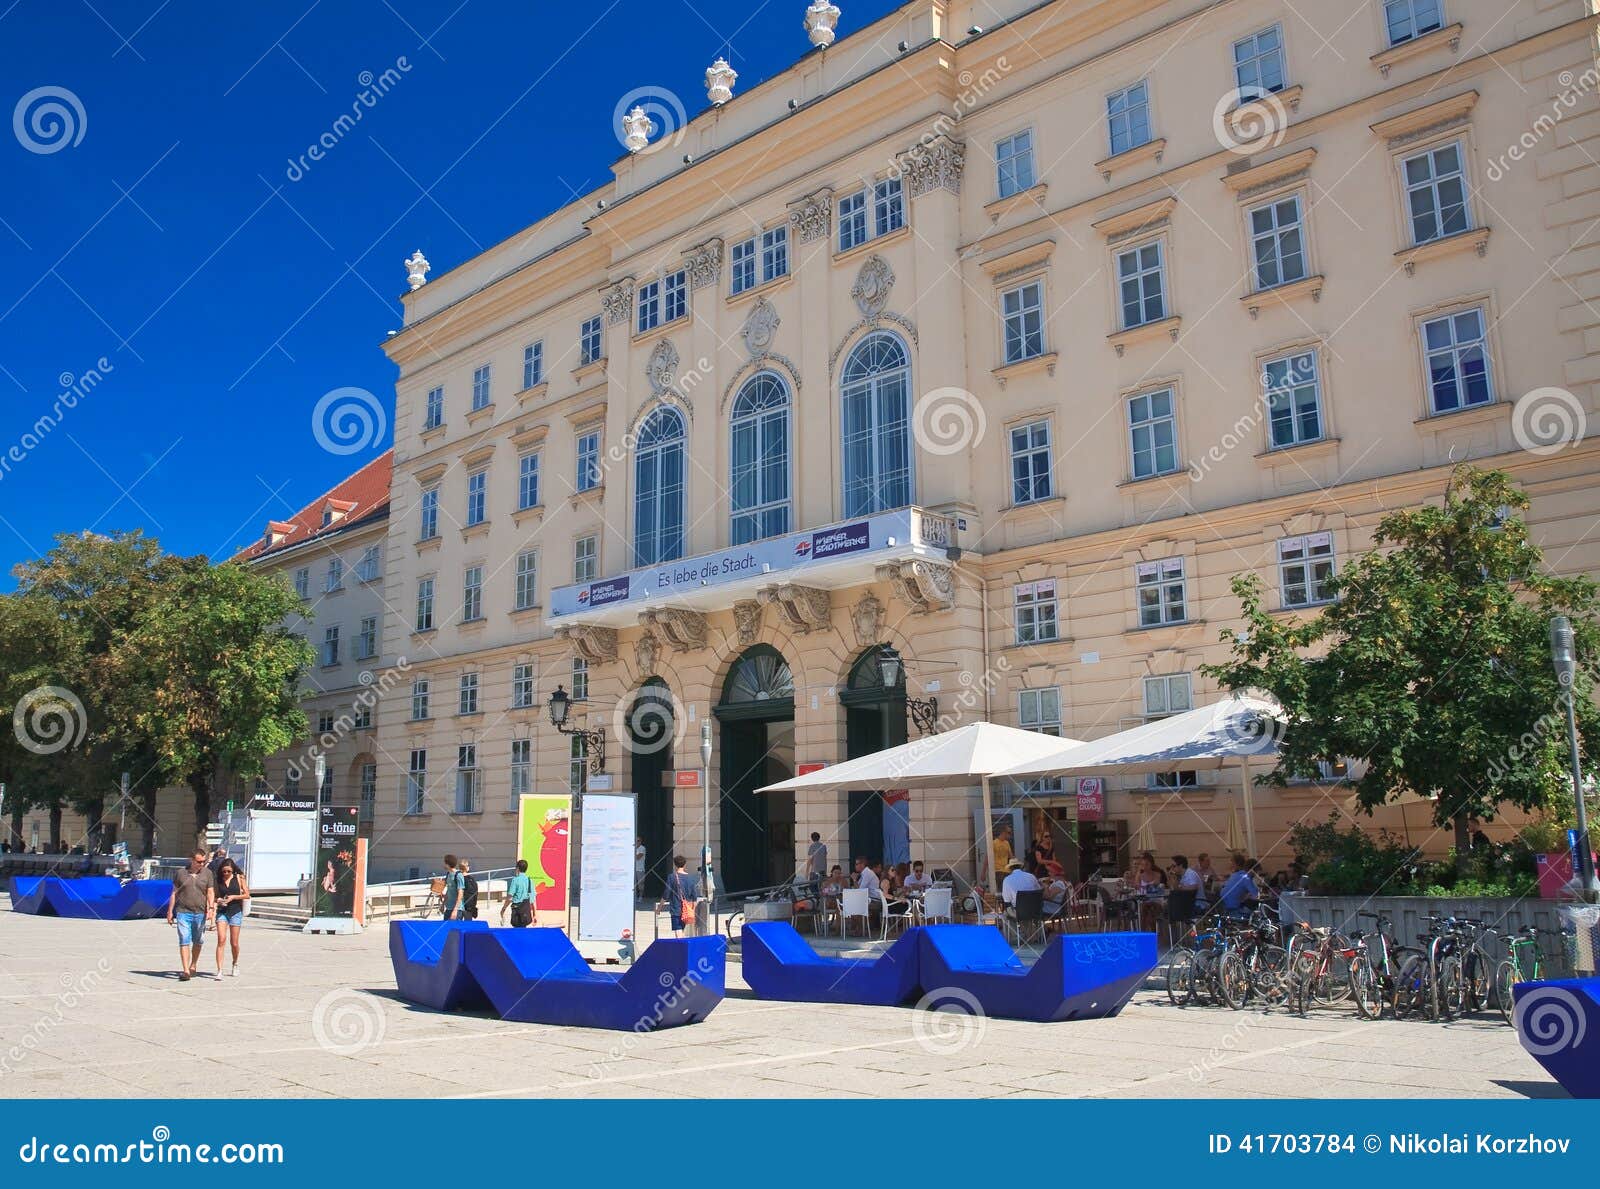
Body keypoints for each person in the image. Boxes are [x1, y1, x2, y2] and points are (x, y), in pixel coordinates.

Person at [166, 850, 216, 982]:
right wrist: (170, 911)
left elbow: (210, 892)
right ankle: (186, 970)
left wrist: (211, 908)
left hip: (200, 912)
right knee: (184, 938)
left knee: (198, 940)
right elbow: (174, 893)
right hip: (183, 911)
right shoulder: (181, 873)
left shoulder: (208, 873)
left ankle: (193, 964)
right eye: (199, 861)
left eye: (203, 861)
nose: (202, 864)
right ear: (191, 860)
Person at [213, 858, 249, 977]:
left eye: (228, 871)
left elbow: (247, 895)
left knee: (234, 942)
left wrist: (234, 897)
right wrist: (218, 900)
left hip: (235, 911)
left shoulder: (239, 878)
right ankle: (219, 970)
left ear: (233, 871)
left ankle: (235, 963)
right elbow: (213, 896)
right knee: (221, 939)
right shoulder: (218, 880)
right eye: (224, 871)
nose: (226, 874)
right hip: (222, 911)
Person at [664, 854, 699, 934]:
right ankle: (681, 945)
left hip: (675, 908)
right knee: (682, 930)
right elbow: (694, 896)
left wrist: (659, 908)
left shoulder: (671, 877)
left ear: (675, 865)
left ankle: (680, 946)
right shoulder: (690, 878)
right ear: (685, 864)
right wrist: (692, 909)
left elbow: (666, 894)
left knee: (678, 931)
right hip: (686, 910)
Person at [502, 858, 534, 927]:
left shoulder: (515, 880)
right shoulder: (530, 880)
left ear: (518, 868)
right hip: (526, 910)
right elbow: (532, 900)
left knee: (516, 930)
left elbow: (510, 897)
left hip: (517, 911)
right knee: (523, 930)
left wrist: (503, 908)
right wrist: (535, 914)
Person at [440, 854, 463, 920]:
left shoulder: (458, 875)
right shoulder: (448, 874)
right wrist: (443, 904)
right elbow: (448, 891)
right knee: (447, 929)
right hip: (448, 908)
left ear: (448, 864)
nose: (443, 865)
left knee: (455, 930)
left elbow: (460, 893)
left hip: (457, 909)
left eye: (445, 863)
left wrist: (455, 910)